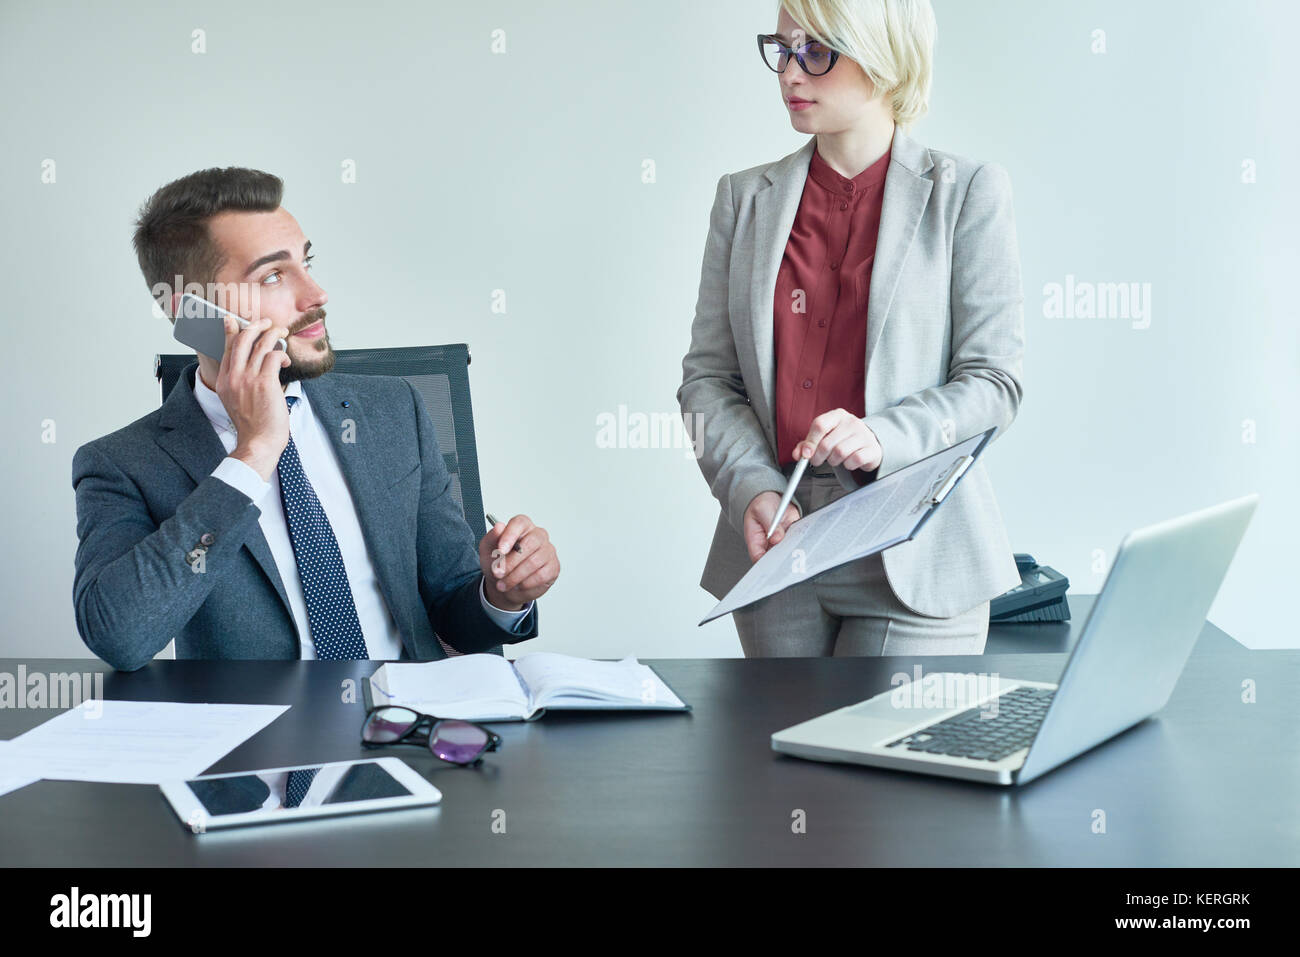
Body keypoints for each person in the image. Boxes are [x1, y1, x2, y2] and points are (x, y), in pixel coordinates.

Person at [72, 167, 559, 671]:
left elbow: (451, 605)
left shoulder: (394, 412)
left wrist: (502, 596)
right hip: (263, 742)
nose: (316, 294)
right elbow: (120, 638)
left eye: (307, 262)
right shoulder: (121, 463)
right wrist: (252, 454)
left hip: (410, 727)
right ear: (191, 314)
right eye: (274, 276)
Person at [678, 0, 1023, 656]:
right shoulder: (741, 198)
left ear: (885, 59)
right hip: (779, 542)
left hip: (915, 542)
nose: (789, 74)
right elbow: (707, 381)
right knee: (776, 760)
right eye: (781, 50)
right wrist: (749, 486)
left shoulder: (968, 193)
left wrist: (880, 436)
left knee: (887, 759)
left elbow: (994, 383)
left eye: (816, 53)